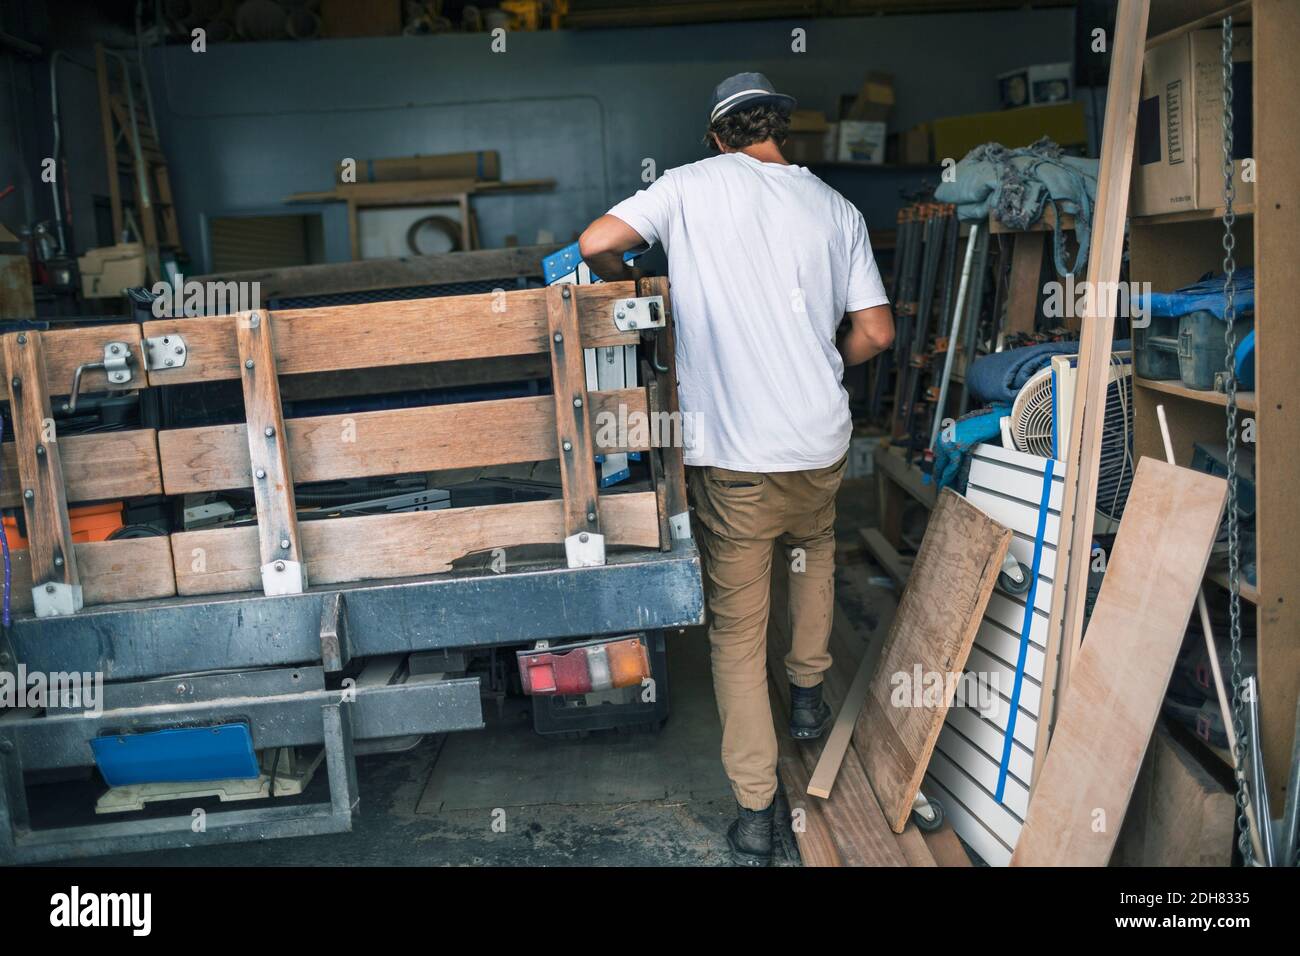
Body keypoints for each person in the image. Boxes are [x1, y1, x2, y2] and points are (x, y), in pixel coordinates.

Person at [578, 71, 895, 866]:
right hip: (819, 440)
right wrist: (825, 359)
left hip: (736, 457)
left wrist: (645, 289)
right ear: (779, 132)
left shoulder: (684, 188)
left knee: (736, 633)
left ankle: (756, 814)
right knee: (815, 552)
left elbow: (594, 246)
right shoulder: (837, 207)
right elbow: (879, 332)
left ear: (718, 136)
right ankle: (811, 701)